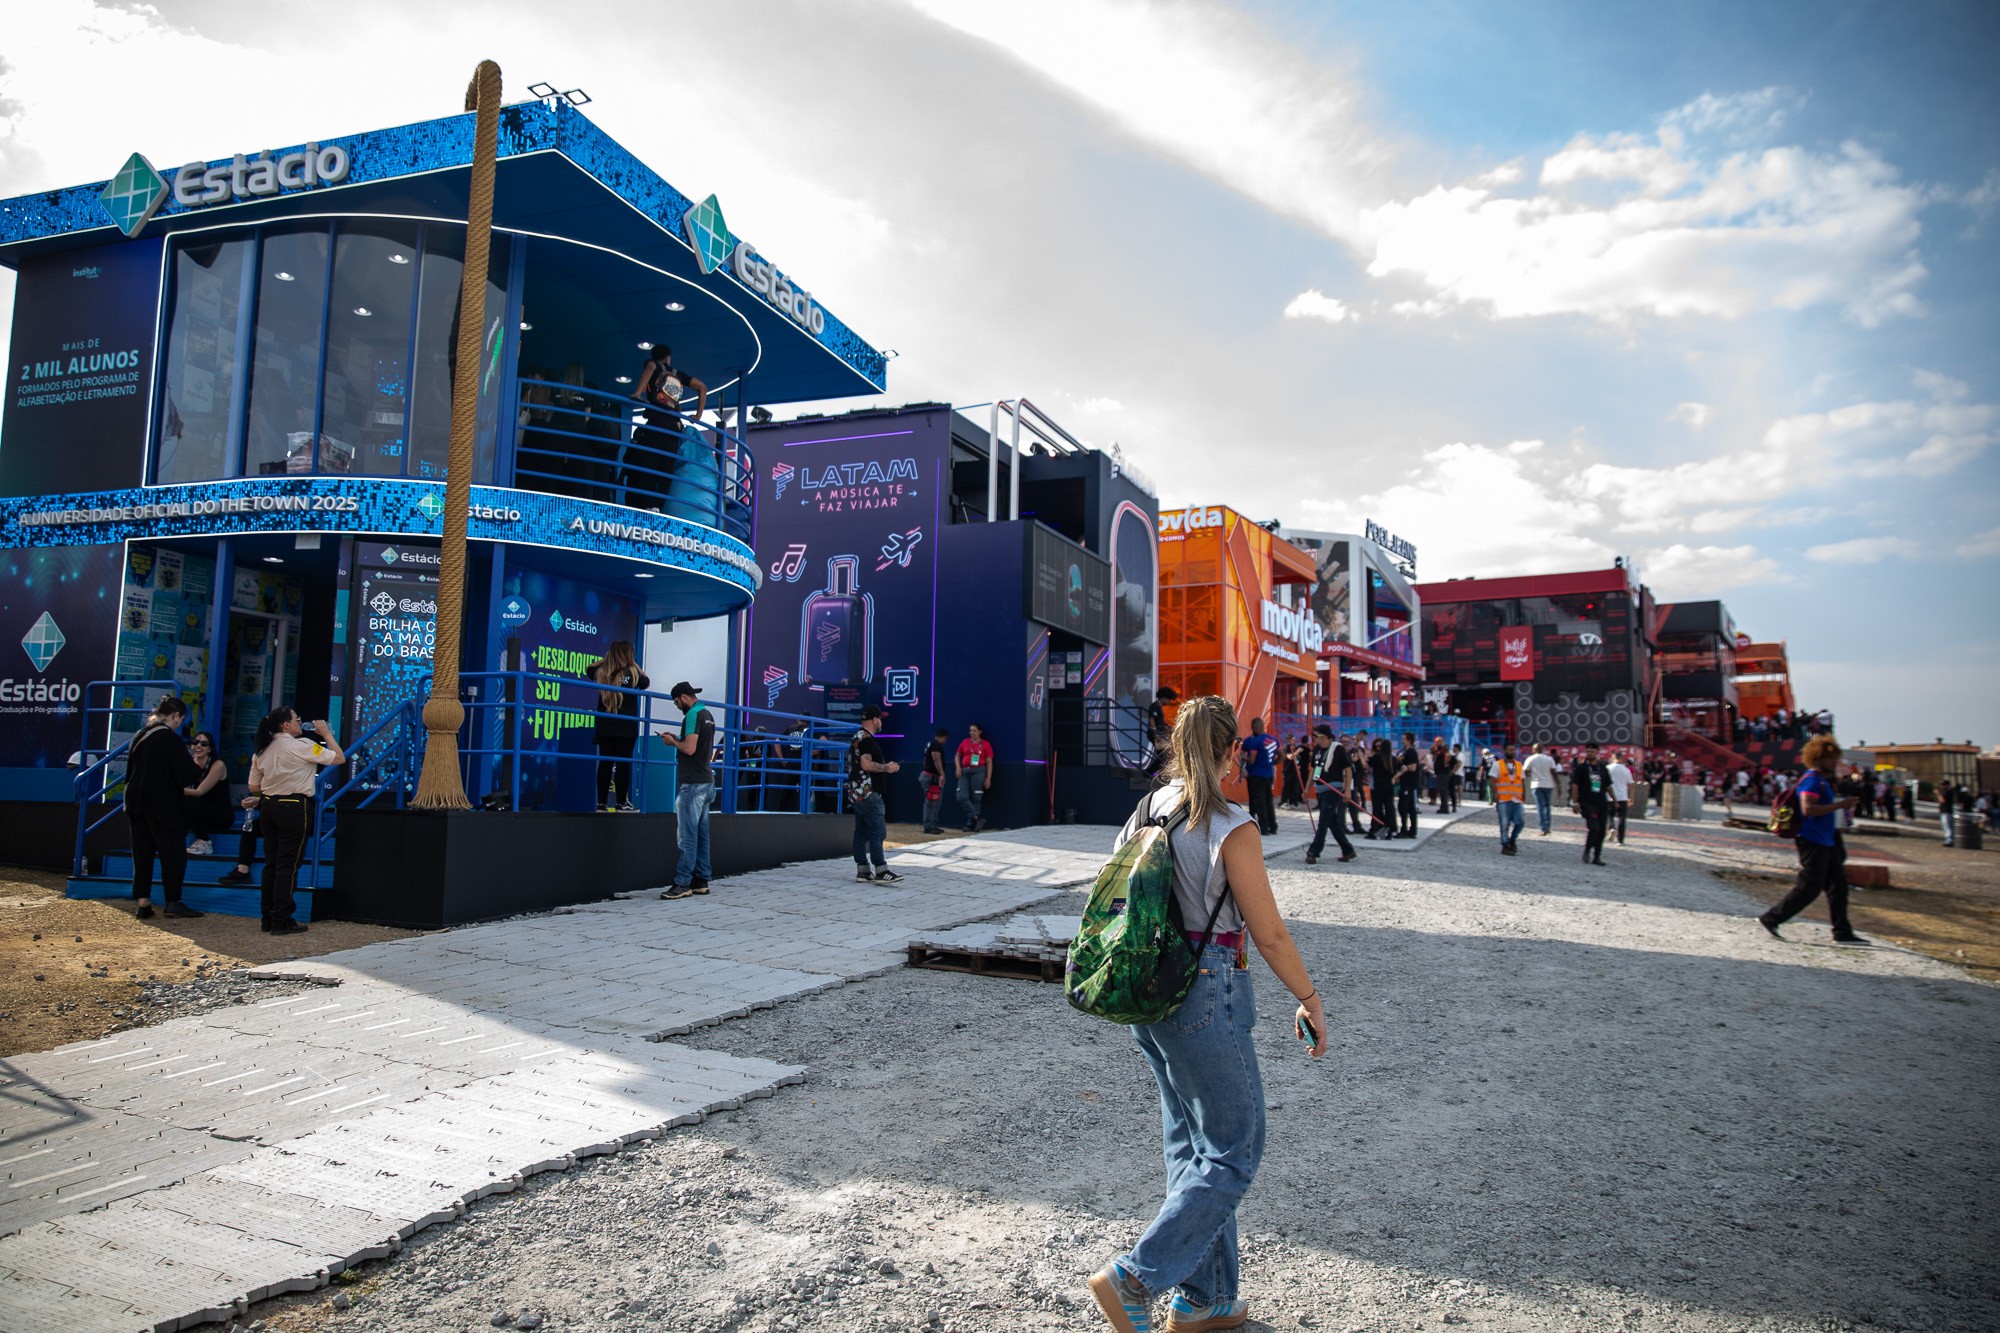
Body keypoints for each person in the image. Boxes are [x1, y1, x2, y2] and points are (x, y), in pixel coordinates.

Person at [1087, 695, 1326, 1333]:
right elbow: (1269, 933)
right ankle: (1135, 1277)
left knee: (1191, 1145)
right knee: (1234, 1146)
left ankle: (1205, 1298)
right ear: (1228, 753)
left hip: (1148, 990)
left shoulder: (1146, 810)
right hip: (1207, 989)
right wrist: (1309, 997)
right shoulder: (1230, 824)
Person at [1759, 736, 1869, 946]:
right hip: (1812, 839)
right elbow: (1808, 809)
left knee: (1838, 887)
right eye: (1829, 759)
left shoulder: (1822, 780)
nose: (1833, 762)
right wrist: (1840, 806)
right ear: (1817, 758)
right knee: (1810, 887)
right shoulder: (1811, 780)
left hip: (1826, 840)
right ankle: (1771, 918)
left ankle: (1842, 931)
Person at [245, 707, 345, 933]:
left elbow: (253, 786)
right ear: (286, 725)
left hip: (269, 806)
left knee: (272, 862)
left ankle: (268, 917)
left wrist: (272, 787)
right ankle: (282, 919)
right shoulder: (303, 746)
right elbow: (338, 757)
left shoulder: (261, 750)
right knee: (288, 864)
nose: (301, 723)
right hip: (293, 806)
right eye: (297, 720)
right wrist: (326, 734)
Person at [123, 697, 204, 921]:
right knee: (173, 853)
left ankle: (143, 902)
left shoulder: (140, 735)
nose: (180, 723)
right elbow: (186, 775)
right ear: (175, 715)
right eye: (181, 718)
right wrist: (198, 762)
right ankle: (173, 902)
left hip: (135, 801)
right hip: (162, 804)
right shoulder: (169, 739)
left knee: (142, 853)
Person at [658, 682, 715, 899]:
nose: (676, 705)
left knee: (687, 836)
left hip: (692, 783)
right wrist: (677, 739)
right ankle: (701, 880)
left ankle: (682, 883)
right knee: (701, 835)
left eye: (676, 702)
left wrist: (673, 742)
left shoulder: (692, 714)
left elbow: (690, 749)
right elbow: (697, 746)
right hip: (707, 781)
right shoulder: (707, 713)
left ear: (683, 697)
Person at [587, 640, 649, 812]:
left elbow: (588, 669)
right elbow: (646, 682)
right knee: (623, 763)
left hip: (605, 724)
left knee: (605, 762)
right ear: (629, 655)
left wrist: (606, 659)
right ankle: (622, 802)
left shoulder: (602, 671)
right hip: (626, 725)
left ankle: (601, 803)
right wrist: (632, 662)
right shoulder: (633, 671)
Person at [849, 705, 901, 881]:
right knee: (878, 831)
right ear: (874, 720)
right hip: (869, 793)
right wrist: (887, 768)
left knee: (861, 831)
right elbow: (866, 764)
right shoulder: (866, 740)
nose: (881, 722)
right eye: (880, 718)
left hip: (857, 793)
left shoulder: (857, 737)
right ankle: (881, 870)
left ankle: (863, 870)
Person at [1303, 725, 1357, 866]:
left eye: (1318, 737)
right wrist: (1307, 789)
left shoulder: (1338, 749)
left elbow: (1348, 768)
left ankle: (1313, 852)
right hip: (1321, 790)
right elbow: (1314, 770)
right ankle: (1348, 850)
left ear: (1326, 737)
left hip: (1333, 790)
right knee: (1333, 822)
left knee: (1323, 822)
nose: (1316, 740)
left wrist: (1347, 790)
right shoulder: (1318, 750)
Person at [181, 731, 233, 857]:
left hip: (220, 813)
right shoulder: (190, 764)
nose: (198, 746)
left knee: (188, 800)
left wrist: (172, 789)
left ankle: (204, 841)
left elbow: (199, 792)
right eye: (195, 742)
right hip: (200, 813)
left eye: (204, 744)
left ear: (210, 749)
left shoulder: (218, 765)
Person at [1570, 742, 1613, 866]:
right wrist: (1575, 802)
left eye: (1592, 751)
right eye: (1588, 751)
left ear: (1597, 753)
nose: (1590, 753)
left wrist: (1615, 800)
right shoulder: (1581, 768)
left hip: (1602, 803)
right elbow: (1575, 785)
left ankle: (1597, 856)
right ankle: (1587, 850)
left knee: (1602, 832)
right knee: (1594, 828)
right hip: (1587, 803)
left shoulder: (1603, 768)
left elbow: (1608, 785)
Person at [1241, 718, 1279, 836]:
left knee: (1258, 801)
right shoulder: (1273, 740)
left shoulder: (1255, 742)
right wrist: (1272, 764)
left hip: (1256, 775)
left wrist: (1244, 758)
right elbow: (1282, 755)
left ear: (1255, 727)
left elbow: (1251, 760)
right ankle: (1273, 826)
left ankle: (1263, 827)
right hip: (1268, 774)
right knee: (1268, 800)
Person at [956, 722, 995, 832]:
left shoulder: (986, 744)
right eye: (970, 731)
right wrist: (958, 767)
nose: (972, 733)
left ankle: (970, 824)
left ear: (980, 732)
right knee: (961, 796)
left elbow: (989, 762)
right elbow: (957, 755)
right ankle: (977, 819)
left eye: (974, 730)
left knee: (977, 798)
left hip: (979, 771)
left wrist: (988, 778)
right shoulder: (965, 742)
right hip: (965, 771)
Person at [1491, 742, 1527, 854]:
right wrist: (1495, 794)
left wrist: (1524, 794)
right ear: (1505, 751)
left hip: (1517, 799)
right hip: (1503, 799)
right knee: (1504, 823)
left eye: (1514, 750)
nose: (1512, 752)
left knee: (1520, 821)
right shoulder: (1498, 765)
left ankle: (1512, 839)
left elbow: (1522, 781)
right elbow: (1492, 779)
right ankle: (1505, 845)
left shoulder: (1519, 765)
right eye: (1510, 750)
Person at [1522, 743, 1559, 836]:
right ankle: (1548, 827)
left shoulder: (1530, 759)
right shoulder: (1549, 759)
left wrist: (1532, 775)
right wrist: (1559, 785)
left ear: (1533, 750)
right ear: (1543, 749)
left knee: (1540, 807)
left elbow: (1525, 771)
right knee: (1547, 806)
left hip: (1536, 785)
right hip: (1548, 785)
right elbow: (1554, 773)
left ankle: (1543, 828)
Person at [1366, 738, 1396, 841]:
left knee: (1377, 809)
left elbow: (1368, 768)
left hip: (1378, 787)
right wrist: (1395, 778)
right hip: (1389, 786)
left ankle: (1373, 830)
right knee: (1389, 808)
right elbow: (1403, 768)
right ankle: (1390, 830)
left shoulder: (1377, 757)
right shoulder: (1392, 758)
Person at [920, 727, 950, 834]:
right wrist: (942, 774)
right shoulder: (936, 745)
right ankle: (928, 826)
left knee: (936, 802)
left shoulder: (930, 744)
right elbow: (936, 759)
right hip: (931, 777)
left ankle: (933, 824)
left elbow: (926, 760)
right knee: (931, 801)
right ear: (944, 737)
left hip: (930, 775)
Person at [1145, 688, 1179, 778]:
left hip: (1159, 734)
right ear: (1164, 697)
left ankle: (1152, 772)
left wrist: (1169, 727)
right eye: (1168, 699)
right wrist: (1156, 733)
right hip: (1156, 735)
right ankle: (1149, 772)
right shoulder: (1155, 705)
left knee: (1164, 755)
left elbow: (1161, 721)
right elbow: (1152, 719)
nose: (1168, 702)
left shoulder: (1159, 706)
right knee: (1164, 755)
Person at [1605, 749, 1634, 845]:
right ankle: (1620, 840)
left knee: (1610, 815)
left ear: (1613, 757)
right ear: (1621, 758)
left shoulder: (1607, 768)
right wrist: (1631, 797)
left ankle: (1611, 827)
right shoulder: (1626, 770)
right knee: (1622, 819)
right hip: (1622, 797)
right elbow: (1630, 785)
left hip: (1610, 796)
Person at [1395, 732, 1421, 838]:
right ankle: (1412, 830)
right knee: (1410, 807)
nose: (1402, 741)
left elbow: (1413, 767)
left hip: (1409, 783)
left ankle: (1405, 829)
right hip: (1405, 782)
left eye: (1404, 739)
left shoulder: (1411, 752)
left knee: (1404, 807)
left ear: (1409, 740)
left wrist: (1403, 767)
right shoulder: (1404, 752)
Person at [1938, 780, 1958, 847]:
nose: (1941, 786)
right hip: (1946, 811)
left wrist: (1937, 794)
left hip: (1946, 811)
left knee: (1947, 826)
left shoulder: (1947, 791)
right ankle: (1949, 840)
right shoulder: (1949, 791)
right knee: (1947, 826)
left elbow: (1942, 800)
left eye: (1943, 785)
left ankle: (1949, 841)